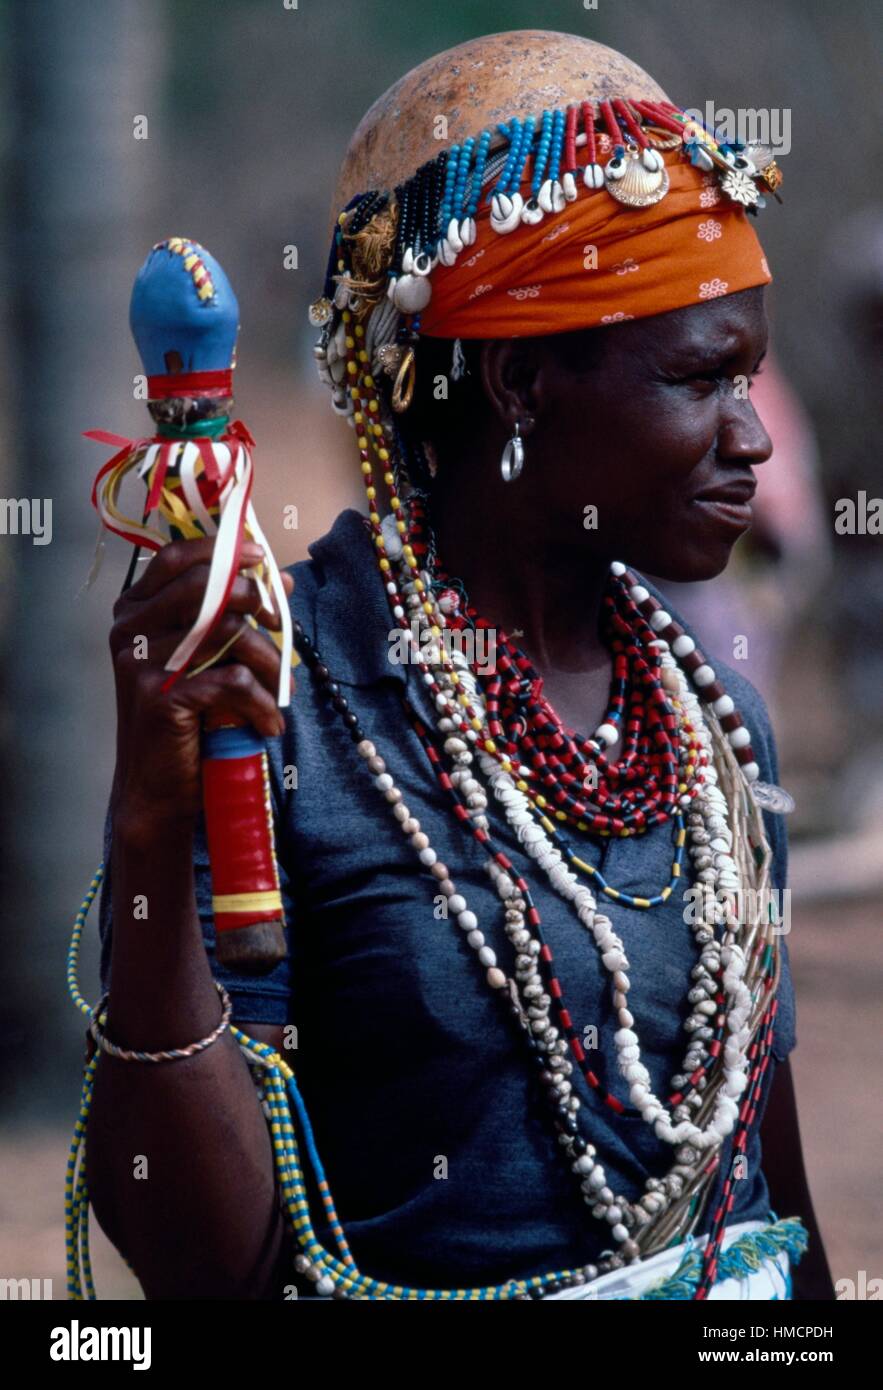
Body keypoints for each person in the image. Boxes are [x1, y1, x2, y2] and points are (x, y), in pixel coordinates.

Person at [80, 30, 833, 1301]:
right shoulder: (282, 709)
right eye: (703, 379)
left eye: (750, 377)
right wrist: (155, 818)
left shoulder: (712, 729)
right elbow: (205, 1267)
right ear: (524, 383)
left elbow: (766, 1200)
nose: (752, 438)